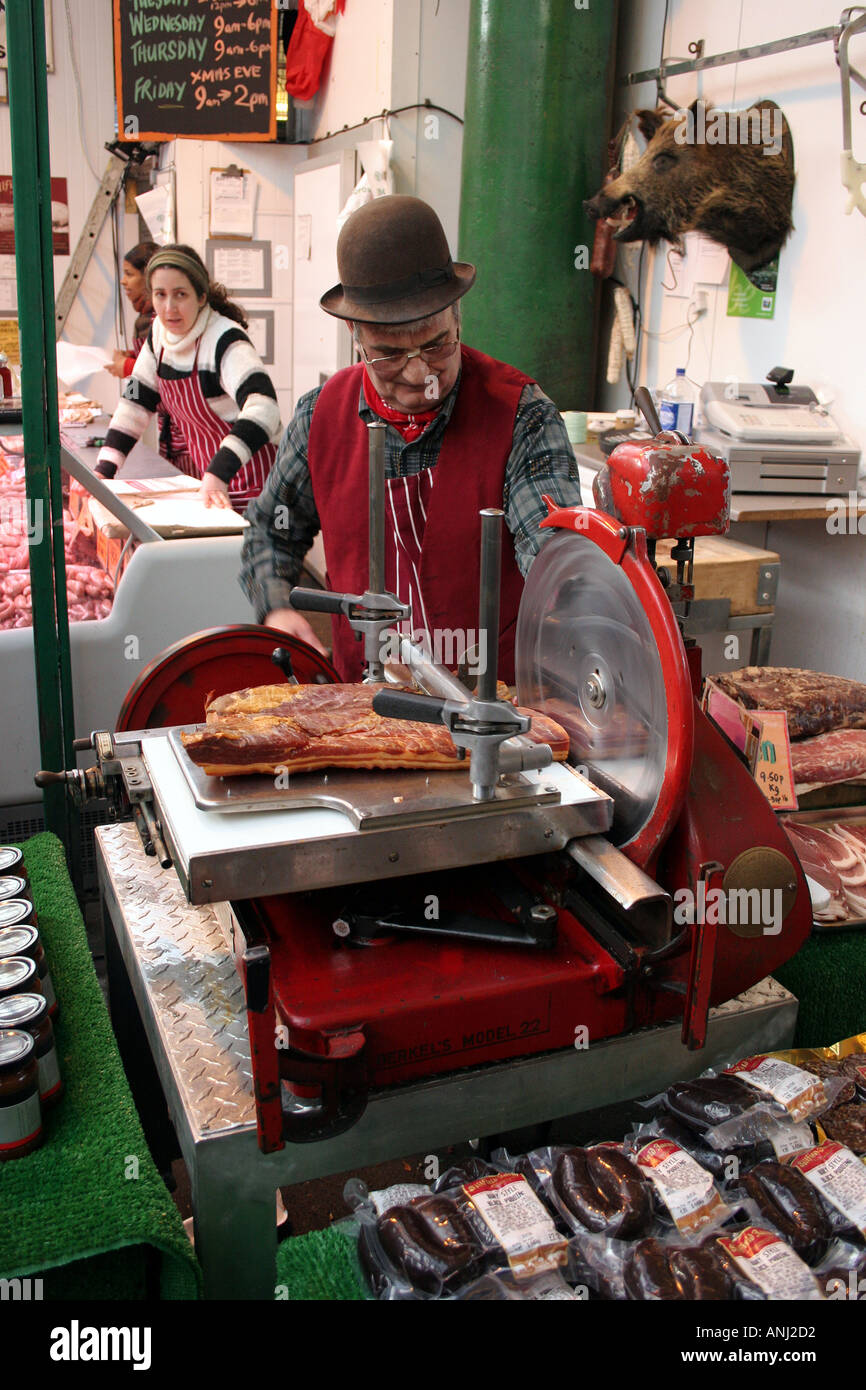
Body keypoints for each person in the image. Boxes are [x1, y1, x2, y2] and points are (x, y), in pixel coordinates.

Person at [239, 196, 583, 679]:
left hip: (493, 703)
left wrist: (573, 598)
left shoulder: (520, 416)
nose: (420, 372)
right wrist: (276, 606)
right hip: (364, 704)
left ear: (457, 316)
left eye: (436, 344)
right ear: (356, 337)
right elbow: (271, 532)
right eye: (388, 355)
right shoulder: (320, 418)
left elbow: (549, 548)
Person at [96, 245, 281, 511]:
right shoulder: (158, 336)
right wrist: (104, 470)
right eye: (160, 295)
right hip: (214, 486)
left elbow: (265, 408)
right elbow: (134, 403)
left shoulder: (225, 340)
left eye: (180, 295)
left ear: (201, 296)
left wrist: (218, 472)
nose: (169, 308)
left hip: (257, 484)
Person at [104, 240, 192, 471]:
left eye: (129, 274)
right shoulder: (150, 324)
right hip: (171, 438)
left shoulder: (166, 324)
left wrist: (127, 366)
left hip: (190, 442)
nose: (123, 281)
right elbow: (136, 394)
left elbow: (165, 374)